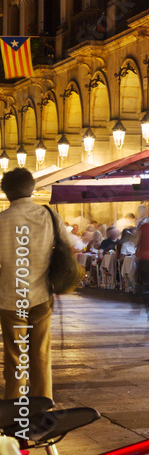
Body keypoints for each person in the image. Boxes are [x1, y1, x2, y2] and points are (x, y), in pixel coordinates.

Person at [0, 168, 73, 398]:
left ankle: (14, 408)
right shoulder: (50, 216)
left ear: (6, 192)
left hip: (10, 297)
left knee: (15, 357)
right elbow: (71, 247)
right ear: (32, 189)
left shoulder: (1, 221)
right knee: (41, 354)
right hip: (42, 294)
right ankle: (42, 406)